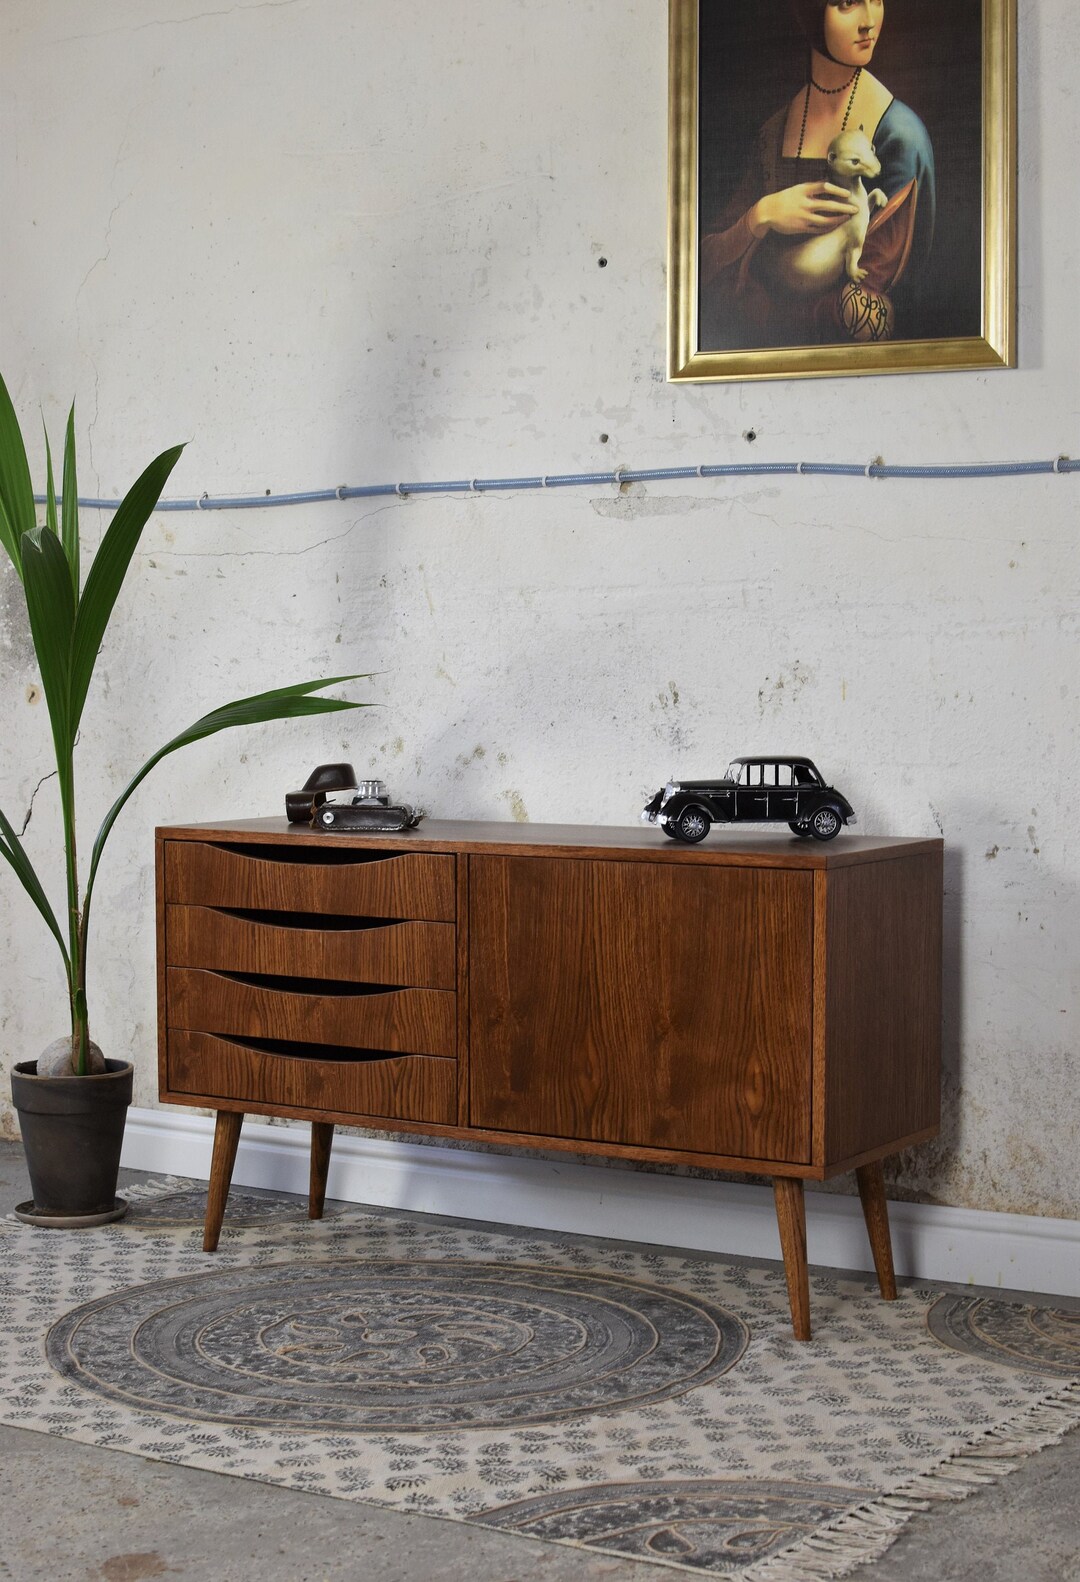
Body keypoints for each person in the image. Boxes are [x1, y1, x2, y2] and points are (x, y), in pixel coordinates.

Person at [700, 0, 935, 347]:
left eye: (877, 1)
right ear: (808, 12)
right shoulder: (773, 132)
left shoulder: (900, 139)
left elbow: (866, 314)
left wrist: (758, 310)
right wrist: (759, 216)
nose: (869, 21)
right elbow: (702, 271)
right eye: (847, 4)